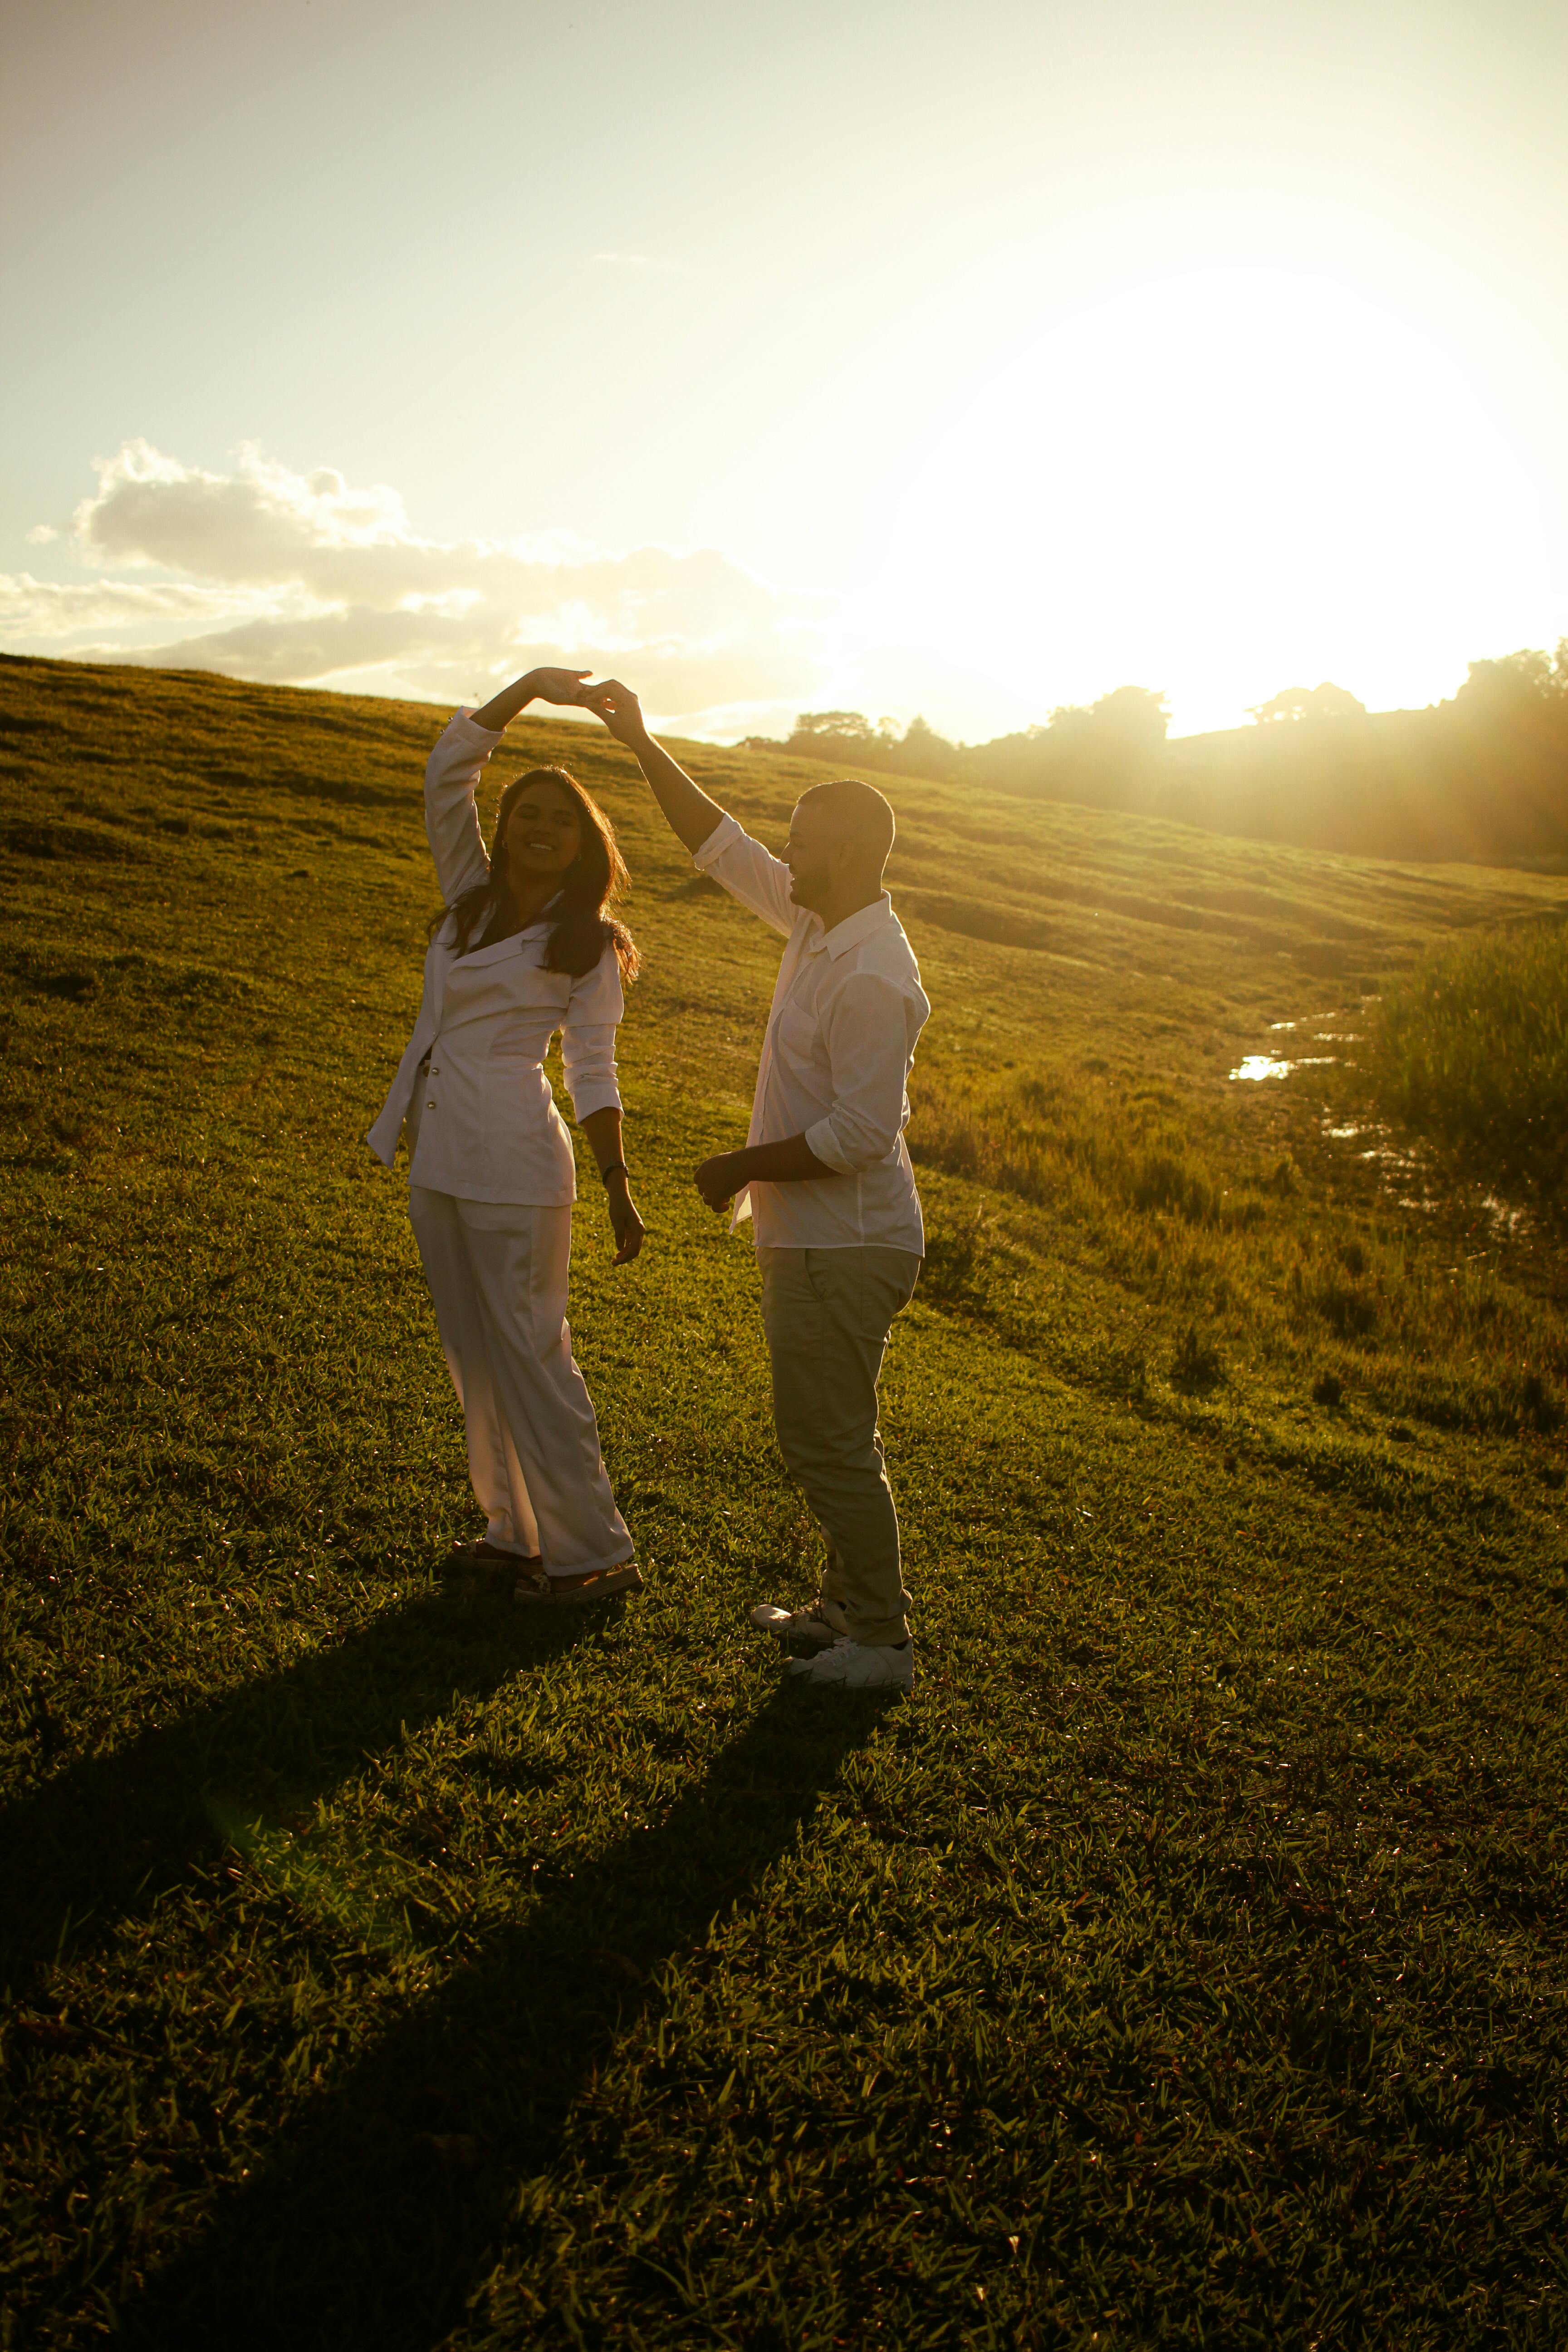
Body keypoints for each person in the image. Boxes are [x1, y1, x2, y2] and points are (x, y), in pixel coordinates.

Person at [583, 676, 929, 1690]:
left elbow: (862, 1134)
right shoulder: (821, 920)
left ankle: (883, 1645)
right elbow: (721, 846)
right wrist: (641, 742)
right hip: (816, 1238)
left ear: (850, 856)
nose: (787, 855)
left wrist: (740, 1165)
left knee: (826, 1444)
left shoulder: (872, 972)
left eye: (802, 842)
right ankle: (848, 1610)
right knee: (832, 1434)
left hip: (847, 1240)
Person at [367, 666, 644, 1605]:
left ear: (583, 845)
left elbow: (593, 1069)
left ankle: (592, 1553)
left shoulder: (588, 943)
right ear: (507, 826)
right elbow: (446, 774)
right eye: (528, 812)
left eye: (562, 820)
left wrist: (616, 1181)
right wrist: (526, 688)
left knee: (533, 1353)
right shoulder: (471, 899)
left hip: (520, 1161)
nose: (541, 827)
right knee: (474, 1354)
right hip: (441, 1153)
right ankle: (513, 1533)